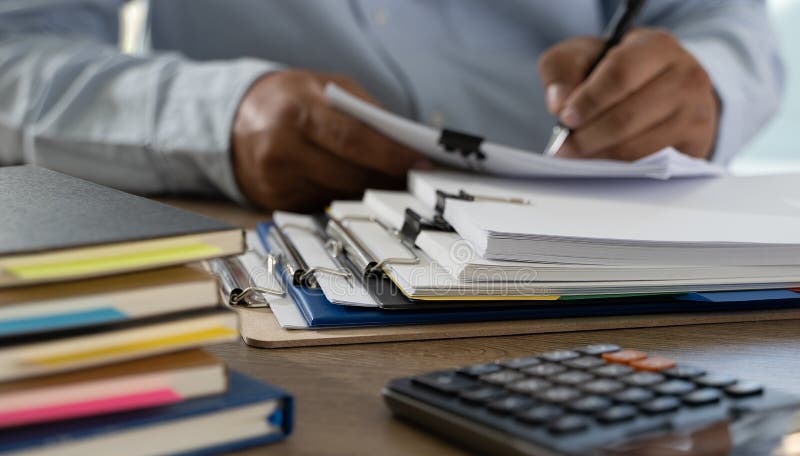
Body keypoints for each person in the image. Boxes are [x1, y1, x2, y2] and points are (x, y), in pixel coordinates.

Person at [0, 1, 782, 211]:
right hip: (275, 252)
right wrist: (218, 116)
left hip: (616, 254)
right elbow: (15, 50)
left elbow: (721, 19)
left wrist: (705, 84)